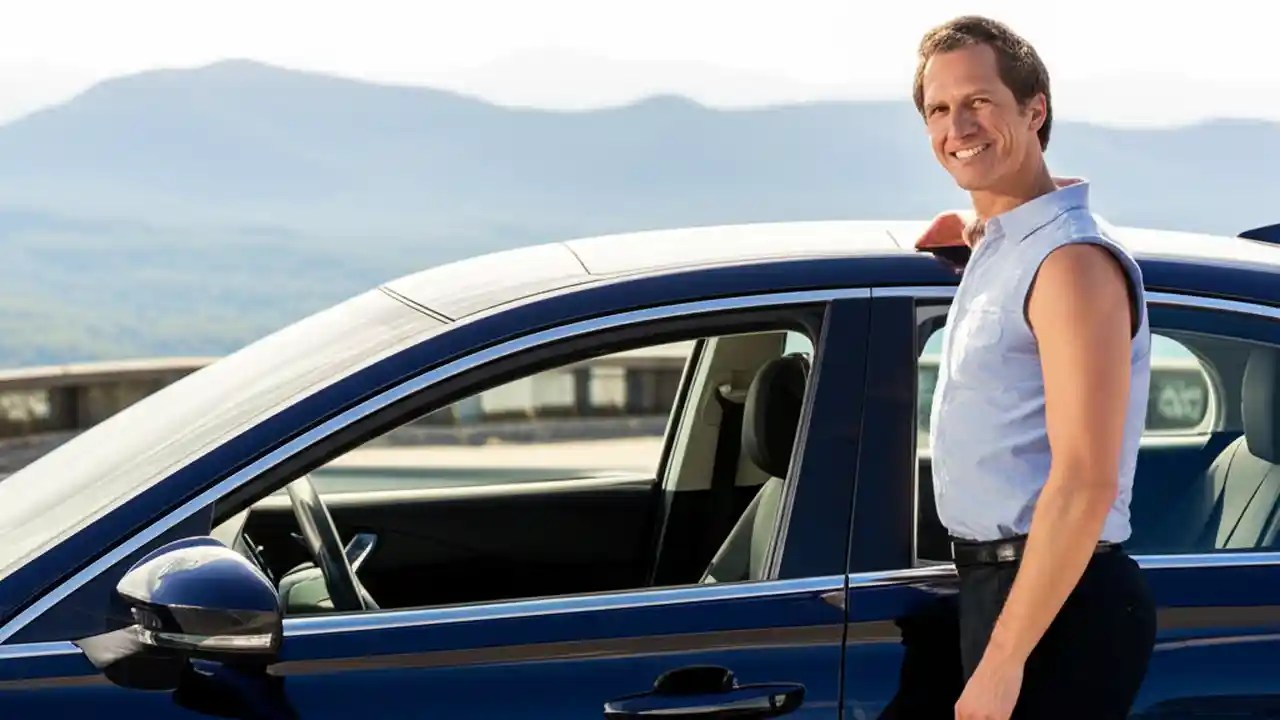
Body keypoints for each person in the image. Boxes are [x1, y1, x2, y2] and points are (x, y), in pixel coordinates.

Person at [911, 15, 1158, 719]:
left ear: (1035, 108)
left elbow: (1085, 480)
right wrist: (976, 231)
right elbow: (1011, 209)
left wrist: (1002, 663)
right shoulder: (1013, 243)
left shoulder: (1071, 265)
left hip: (1059, 605)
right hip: (1006, 590)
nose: (957, 125)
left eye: (979, 101)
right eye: (939, 109)